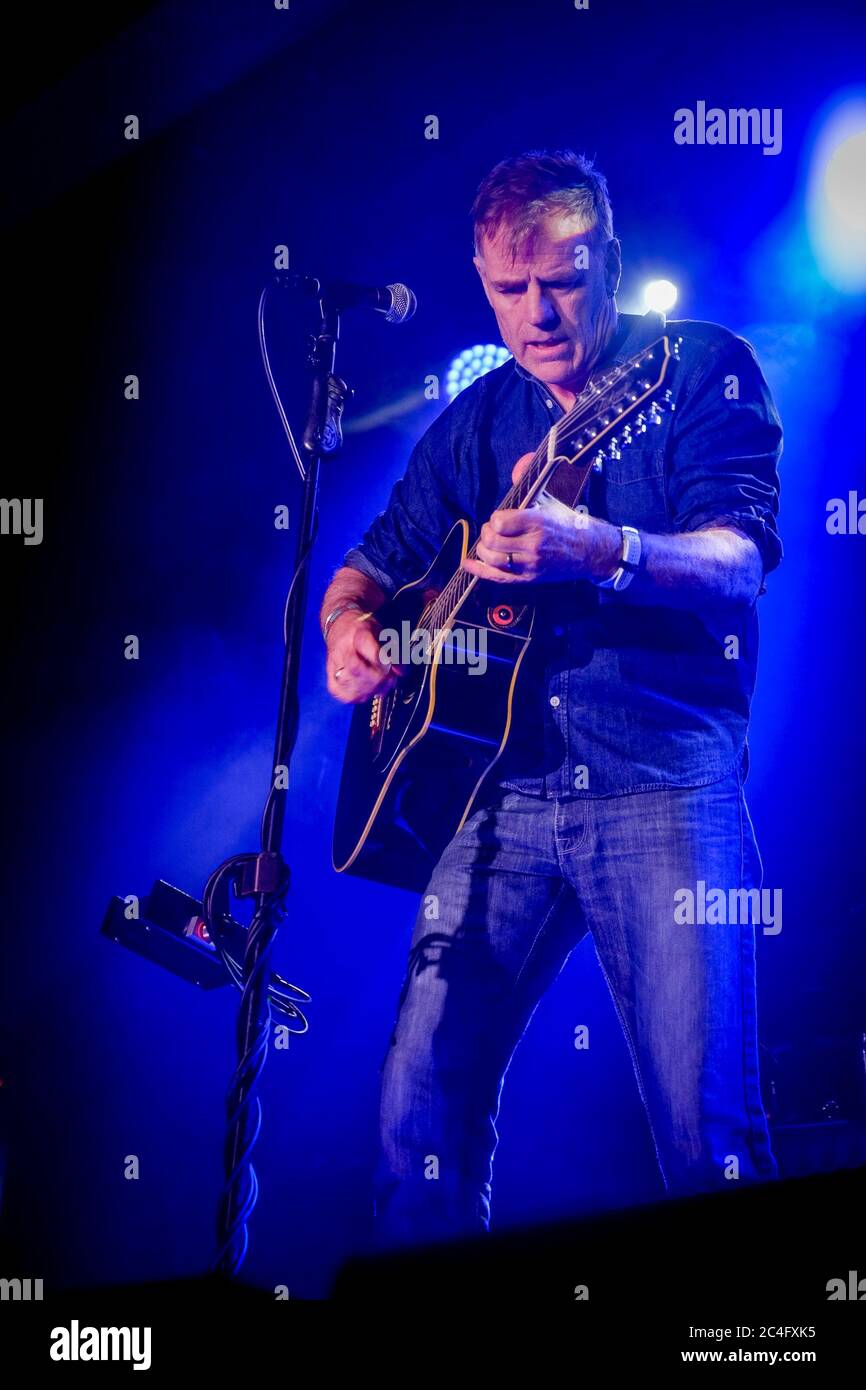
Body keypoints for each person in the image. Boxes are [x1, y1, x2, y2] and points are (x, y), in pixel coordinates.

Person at [319, 149, 782, 1245]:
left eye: (563, 281)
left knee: (704, 1128)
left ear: (610, 262)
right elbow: (367, 567)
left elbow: (740, 556)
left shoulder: (697, 366)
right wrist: (349, 634)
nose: (536, 313)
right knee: (415, 1117)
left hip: (661, 781)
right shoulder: (476, 421)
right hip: (500, 797)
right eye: (506, 290)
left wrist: (604, 548)